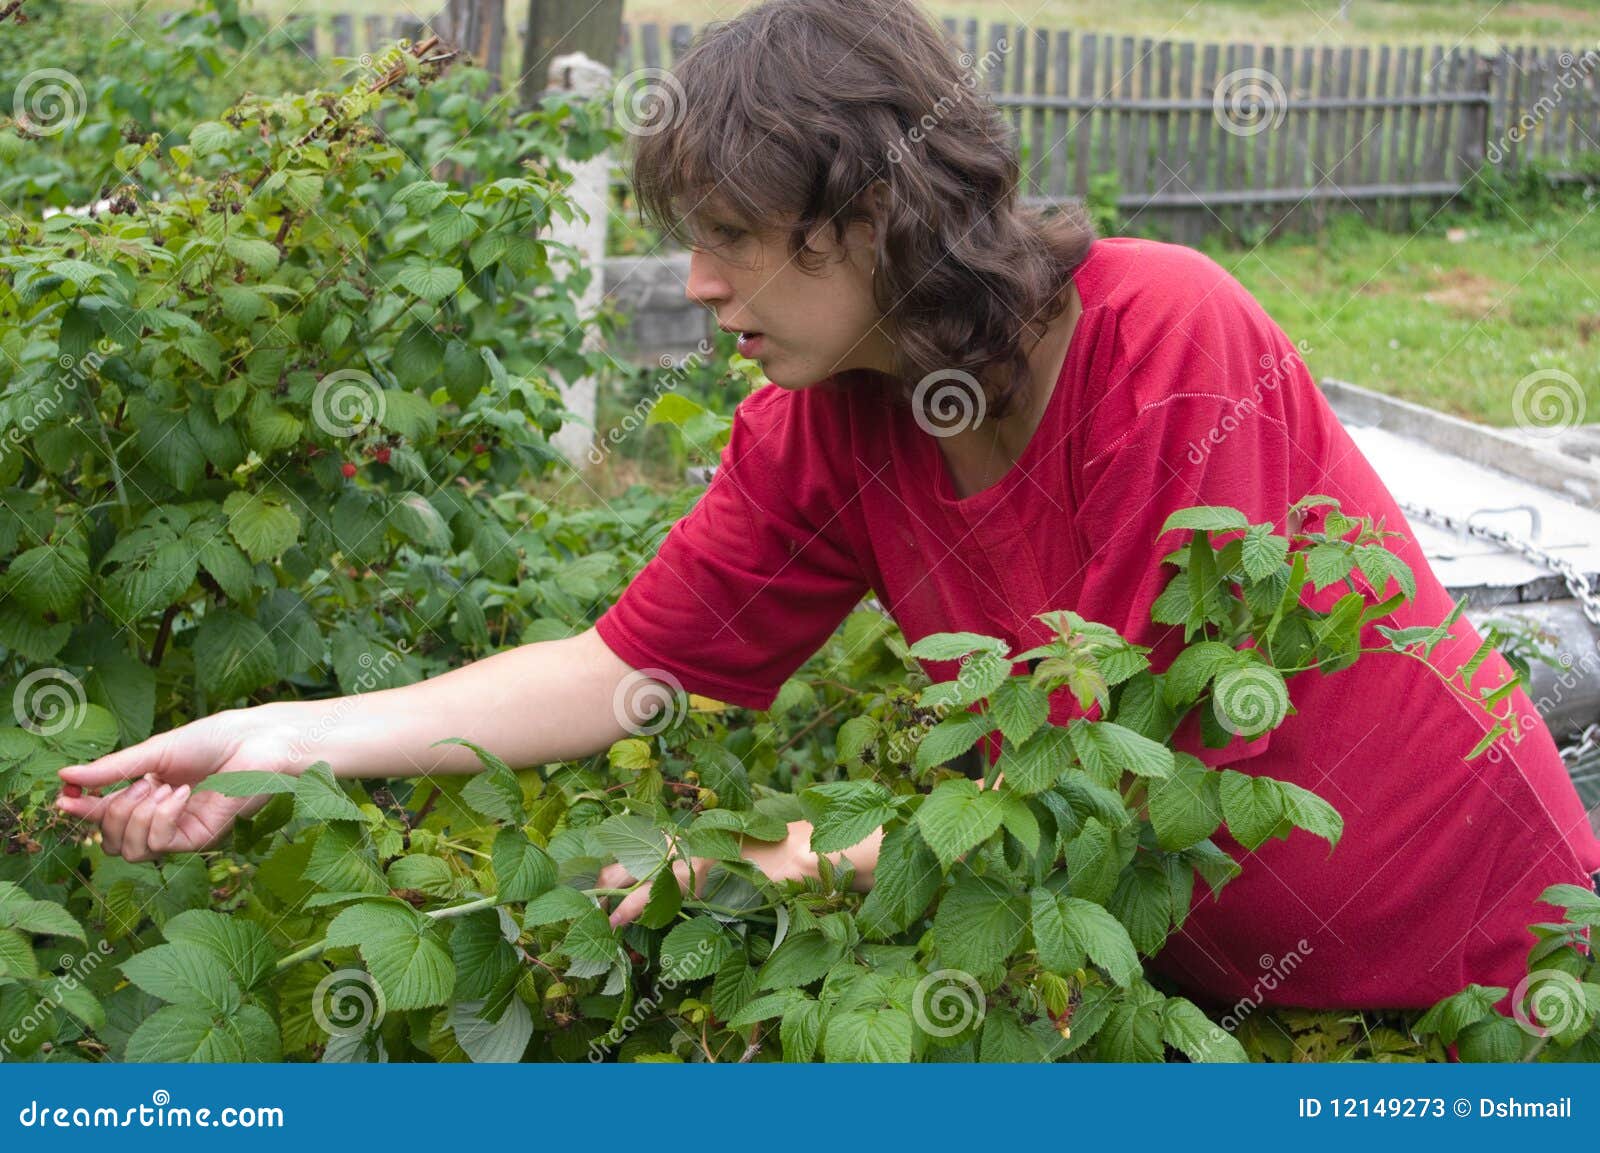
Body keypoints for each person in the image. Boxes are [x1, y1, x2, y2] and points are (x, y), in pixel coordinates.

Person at [56, 0, 1599, 1017]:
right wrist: (274, 739)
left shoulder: (1164, 337)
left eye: (732, 235)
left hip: (1496, 984)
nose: (701, 285)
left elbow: (1140, 780)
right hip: (1201, 1010)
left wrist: (767, 860)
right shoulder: (827, 422)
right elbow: (620, 667)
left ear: (878, 208)